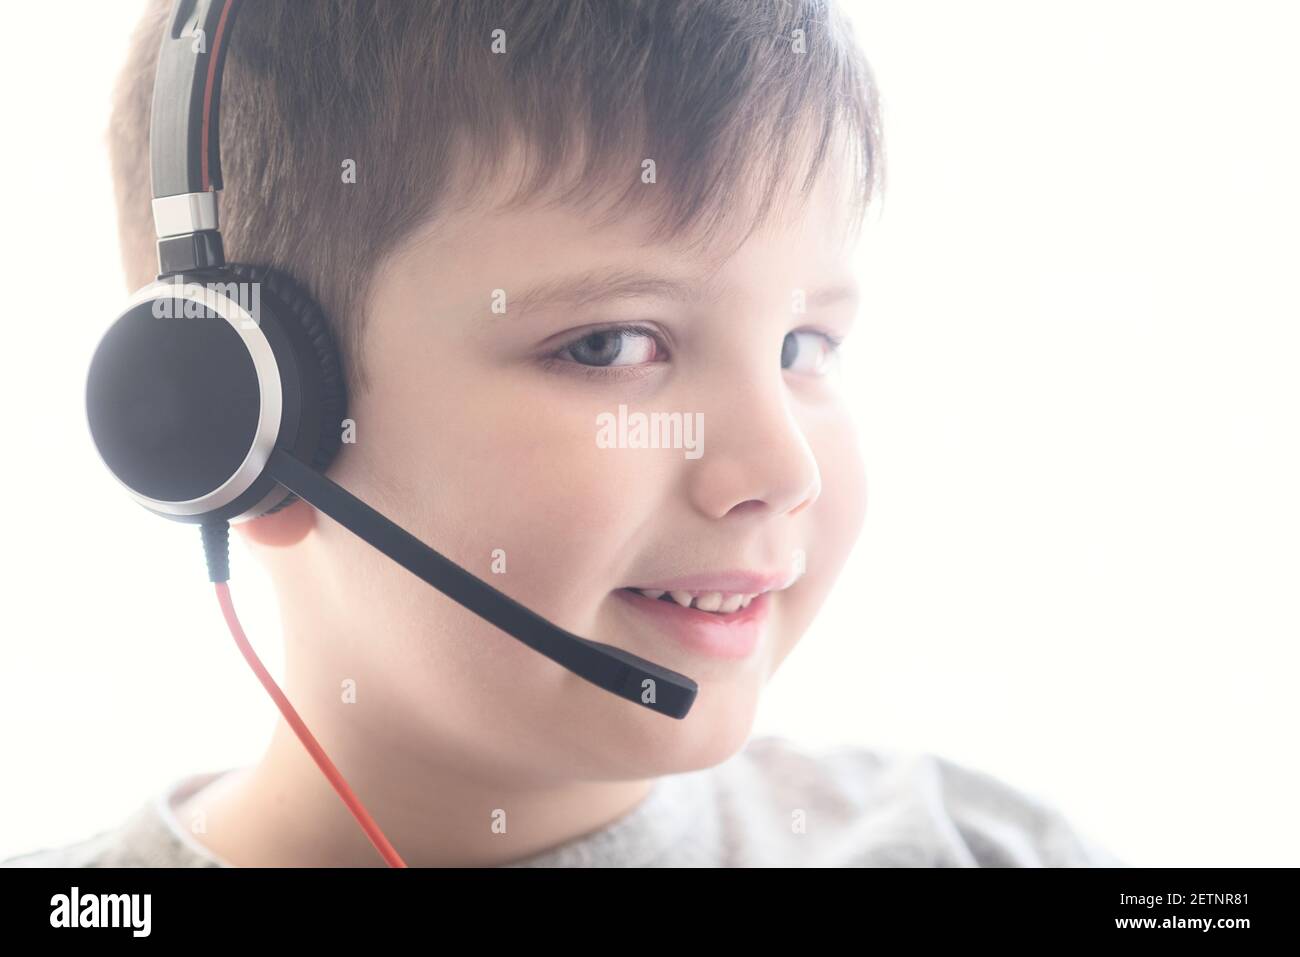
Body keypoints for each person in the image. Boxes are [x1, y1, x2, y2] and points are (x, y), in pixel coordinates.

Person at [3, 0, 1121, 868]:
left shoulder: (979, 848)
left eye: (802, 348)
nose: (780, 471)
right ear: (236, 419)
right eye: (611, 346)